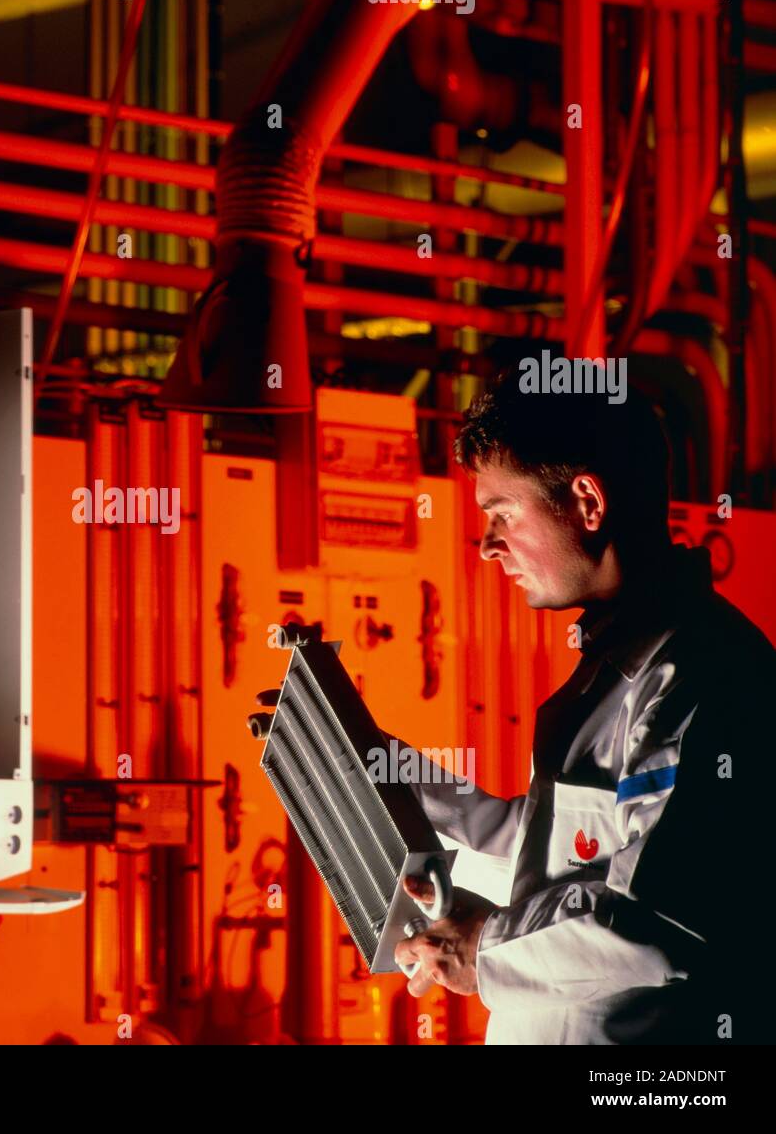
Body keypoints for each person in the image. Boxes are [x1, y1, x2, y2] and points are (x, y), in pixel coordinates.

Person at [251, 374, 773, 1044]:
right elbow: (544, 858)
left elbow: (660, 914)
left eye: (503, 513)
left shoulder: (703, 673)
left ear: (586, 500)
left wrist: (482, 949)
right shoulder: (611, 676)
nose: (488, 545)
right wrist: (363, 765)